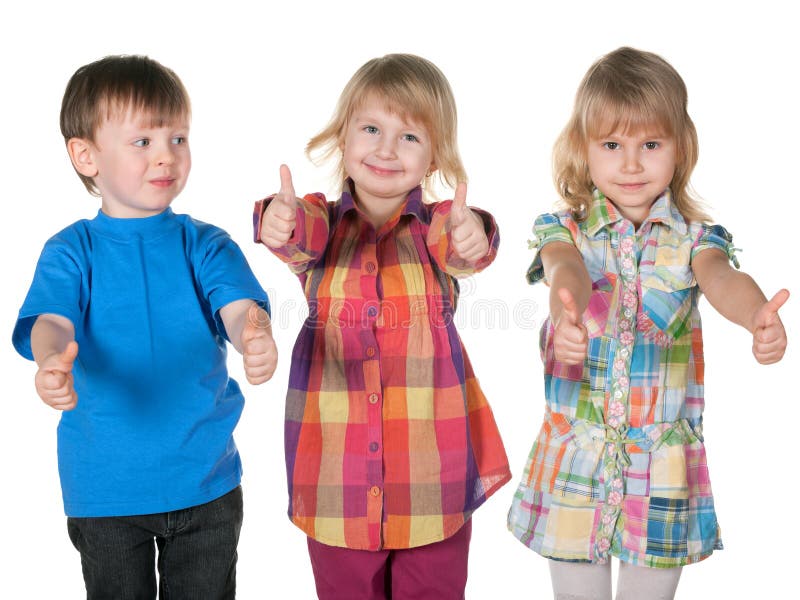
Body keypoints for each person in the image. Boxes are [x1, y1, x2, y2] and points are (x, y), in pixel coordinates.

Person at [507, 47, 789, 600]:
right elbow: (564, 266)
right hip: (577, 456)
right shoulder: (565, 229)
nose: (631, 164)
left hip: (661, 465)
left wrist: (754, 314)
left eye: (650, 145)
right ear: (583, 150)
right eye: (612, 145)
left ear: (679, 150)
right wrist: (571, 307)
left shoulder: (695, 239)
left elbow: (722, 278)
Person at [12, 55, 277, 599]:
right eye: (143, 142)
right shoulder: (72, 251)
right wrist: (51, 358)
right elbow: (51, 319)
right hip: (107, 493)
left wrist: (254, 333)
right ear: (86, 155)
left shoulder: (204, 243)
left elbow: (238, 302)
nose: (167, 157)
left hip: (205, 481)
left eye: (178, 138)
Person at [254, 53, 511, 599]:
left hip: (431, 483)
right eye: (371, 128)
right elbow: (295, 232)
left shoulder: (437, 228)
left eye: (410, 136)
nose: (387, 149)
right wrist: (279, 220)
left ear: (434, 155)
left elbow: (467, 244)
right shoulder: (322, 222)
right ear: (343, 137)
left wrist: (472, 235)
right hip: (335, 483)